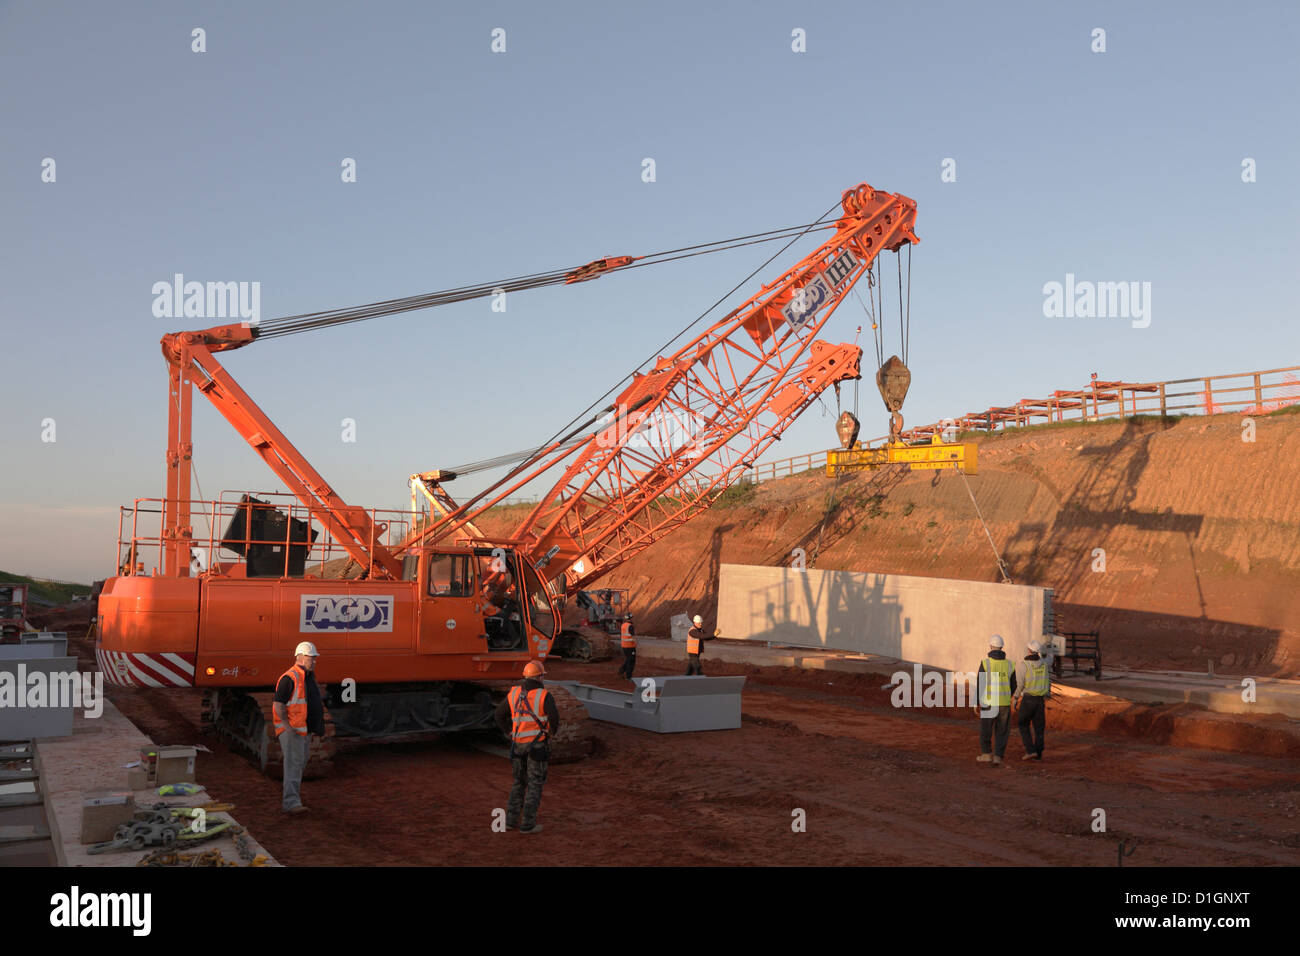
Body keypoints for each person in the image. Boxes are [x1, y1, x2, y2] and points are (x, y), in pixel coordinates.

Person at [494, 660, 561, 834]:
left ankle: (510, 821)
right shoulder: (543, 695)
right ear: (539, 676)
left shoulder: (514, 693)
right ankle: (527, 824)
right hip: (536, 748)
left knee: (518, 783)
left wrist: (509, 732)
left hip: (517, 747)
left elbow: (499, 714)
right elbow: (554, 717)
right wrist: (551, 732)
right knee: (534, 784)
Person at [272, 641, 326, 813]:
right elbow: (278, 704)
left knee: (298, 763)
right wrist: (287, 726)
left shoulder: (308, 677)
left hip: (303, 730)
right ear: (301, 657)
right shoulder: (290, 677)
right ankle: (291, 803)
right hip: (293, 730)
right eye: (312, 658)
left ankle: (293, 799)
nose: (315, 661)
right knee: (294, 764)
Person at [975, 634, 1016, 766]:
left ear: (991, 646)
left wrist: (976, 702)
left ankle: (986, 754)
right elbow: (1013, 685)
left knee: (986, 728)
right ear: (1002, 647)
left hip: (988, 702)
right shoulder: (1010, 665)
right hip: (1004, 703)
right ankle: (998, 756)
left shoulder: (985, 663)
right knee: (1002, 730)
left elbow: (980, 684)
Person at [1014, 639, 1052, 760]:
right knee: (1039, 727)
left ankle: (1030, 750)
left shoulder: (1023, 665)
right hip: (1040, 701)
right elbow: (1050, 662)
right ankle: (1039, 753)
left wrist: (1015, 697)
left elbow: (1020, 684)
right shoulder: (1044, 664)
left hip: (1028, 700)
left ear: (1029, 650)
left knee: (1023, 724)